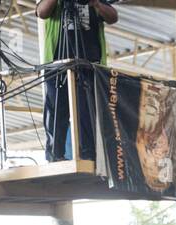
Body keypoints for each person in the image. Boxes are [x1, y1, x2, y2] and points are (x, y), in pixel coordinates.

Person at [37, 0, 117, 162]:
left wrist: (96, 4)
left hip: (89, 64)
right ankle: (55, 155)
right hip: (58, 63)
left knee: (88, 110)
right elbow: (42, 12)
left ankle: (90, 155)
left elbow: (113, 17)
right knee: (57, 110)